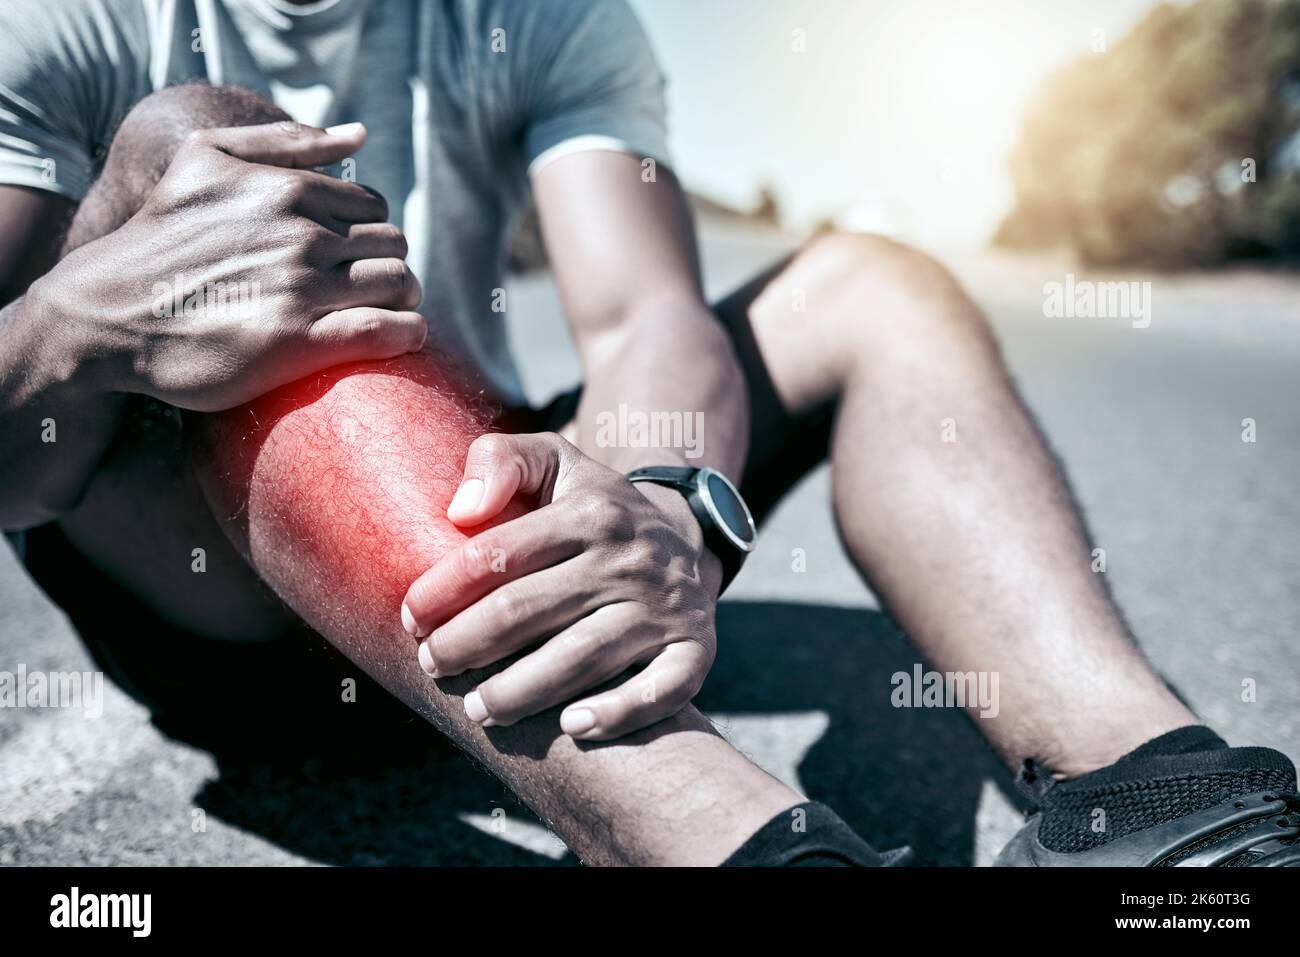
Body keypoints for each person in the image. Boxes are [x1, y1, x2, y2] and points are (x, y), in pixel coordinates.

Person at [0, 0, 1294, 867]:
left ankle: (1155, 801)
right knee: (197, 148)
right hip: (212, 591)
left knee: (873, 282)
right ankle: (725, 843)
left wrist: (664, 501)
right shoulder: (67, 21)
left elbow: (643, 320)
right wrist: (70, 324)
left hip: (470, 489)